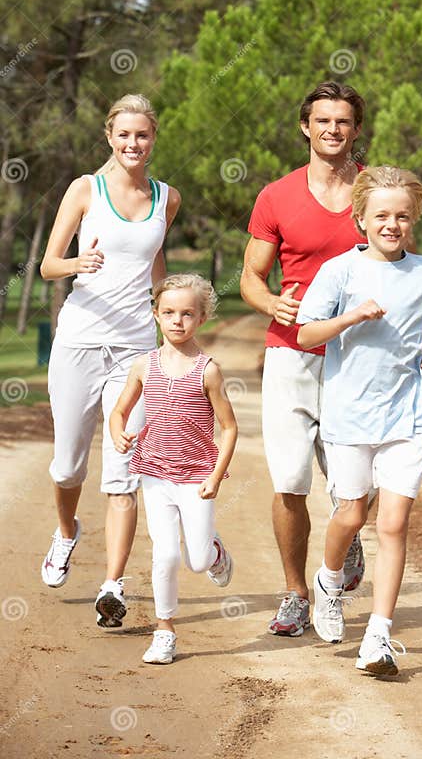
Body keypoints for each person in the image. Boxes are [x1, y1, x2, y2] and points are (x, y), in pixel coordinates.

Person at [296, 165, 422, 676]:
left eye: (403, 216)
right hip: (349, 413)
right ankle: (327, 580)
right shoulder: (341, 271)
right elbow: (304, 335)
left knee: (394, 523)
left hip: (409, 413)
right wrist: (351, 317)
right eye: (382, 215)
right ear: (360, 217)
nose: (393, 225)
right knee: (352, 515)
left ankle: (379, 637)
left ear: (414, 219)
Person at [40, 93, 181, 629]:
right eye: (124, 135)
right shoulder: (84, 190)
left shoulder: (167, 198)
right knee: (68, 465)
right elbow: (51, 265)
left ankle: (113, 585)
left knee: (123, 470)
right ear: (109, 136)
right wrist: (80, 260)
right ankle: (67, 531)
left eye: (142, 135)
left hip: (134, 349)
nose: (132, 143)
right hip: (78, 340)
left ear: (153, 138)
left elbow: (156, 263)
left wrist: (172, 311)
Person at [240, 81, 369, 638]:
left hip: (356, 355)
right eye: (323, 121)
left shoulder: (374, 191)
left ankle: (347, 539)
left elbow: (398, 258)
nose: (332, 130)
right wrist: (272, 302)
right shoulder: (276, 195)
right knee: (291, 478)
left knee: (350, 480)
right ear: (305, 126)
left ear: (355, 129)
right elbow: (250, 277)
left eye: (343, 122)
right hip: (290, 352)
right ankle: (296, 593)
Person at [110, 273, 238, 664]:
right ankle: (164, 631)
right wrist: (118, 433)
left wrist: (215, 476)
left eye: (187, 314)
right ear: (155, 315)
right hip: (155, 475)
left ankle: (214, 552)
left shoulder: (208, 370)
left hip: (197, 479)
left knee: (196, 561)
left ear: (201, 319)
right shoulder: (143, 365)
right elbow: (119, 411)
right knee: (165, 555)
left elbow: (230, 428)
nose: (177, 321)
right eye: (169, 312)